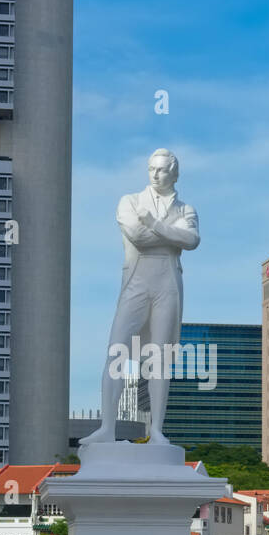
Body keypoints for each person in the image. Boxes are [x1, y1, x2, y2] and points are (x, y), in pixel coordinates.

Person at [80, 148, 200, 445]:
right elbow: (138, 238)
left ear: (174, 173)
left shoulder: (186, 209)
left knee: (161, 359)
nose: (155, 174)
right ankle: (108, 427)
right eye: (151, 169)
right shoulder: (129, 201)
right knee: (116, 351)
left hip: (167, 284)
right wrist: (171, 235)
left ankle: (156, 430)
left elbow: (192, 240)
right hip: (137, 280)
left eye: (161, 169)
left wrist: (156, 224)